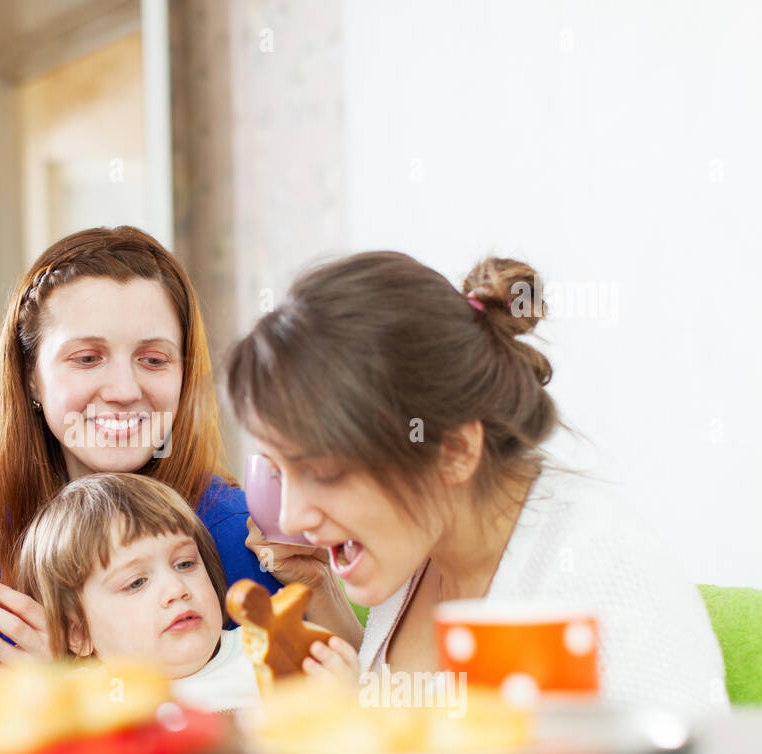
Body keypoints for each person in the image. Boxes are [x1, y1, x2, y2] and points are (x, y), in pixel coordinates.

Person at [225, 251, 729, 717]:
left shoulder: (599, 569)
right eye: (278, 471)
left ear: (455, 451)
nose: (290, 517)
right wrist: (324, 595)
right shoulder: (417, 552)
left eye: (321, 471)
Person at [0, 226, 363, 674]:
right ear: (31, 376)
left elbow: (283, 716)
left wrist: (72, 686)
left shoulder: (235, 532)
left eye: (154, 359)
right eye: (88, 357)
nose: (122, 388)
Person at [14, 473, 358, 713]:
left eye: (184, 564)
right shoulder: (81, 703)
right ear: (78, 632)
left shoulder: (275, 653)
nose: (176, 590)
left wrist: (346, 693)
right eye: (136, 582)